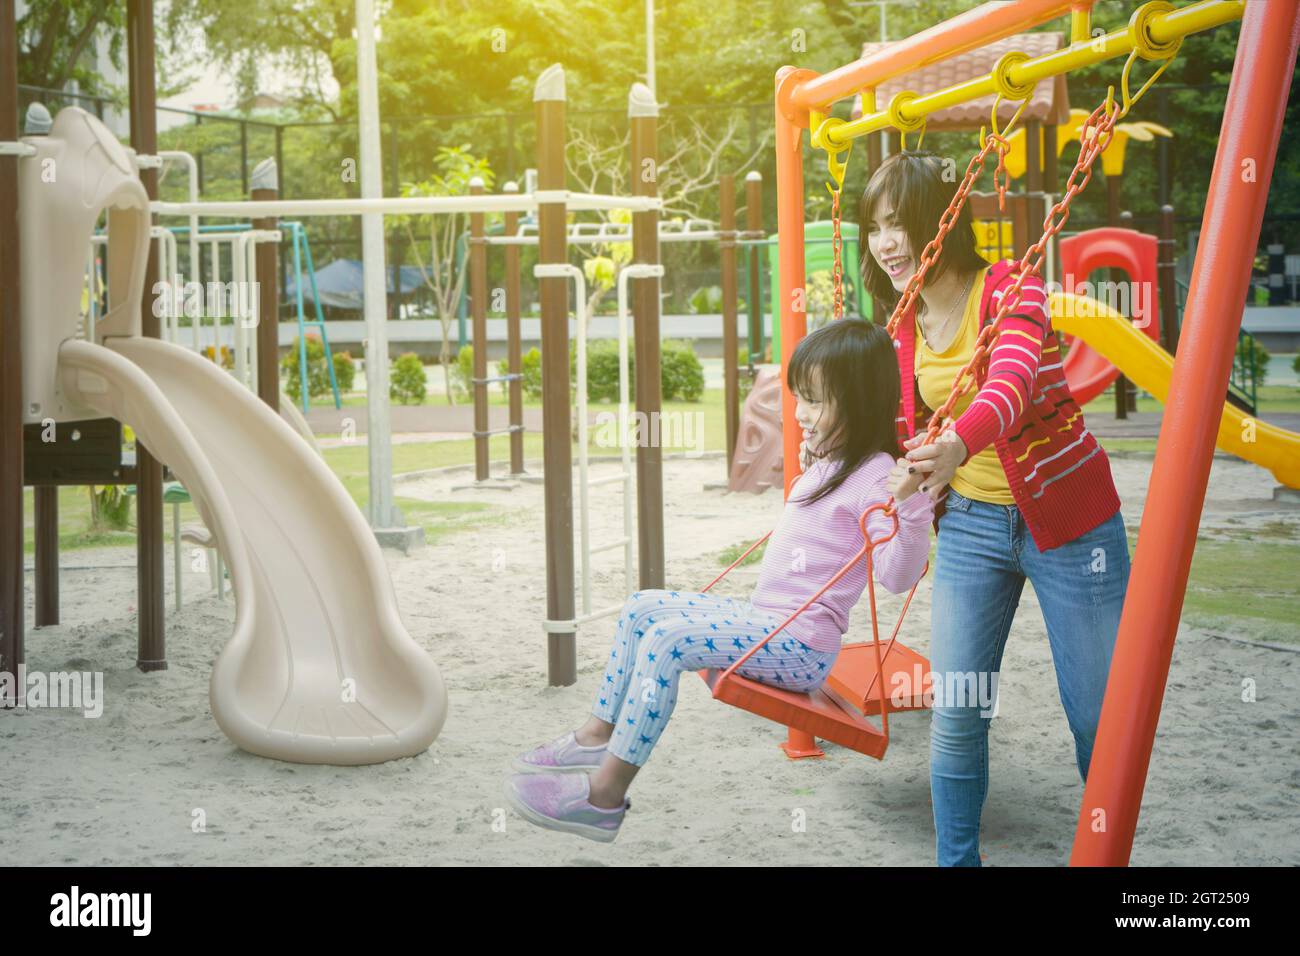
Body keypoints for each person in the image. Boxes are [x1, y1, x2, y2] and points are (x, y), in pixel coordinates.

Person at [504, 319, 934, 842]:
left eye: (816, 401)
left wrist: (912, 505)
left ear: (860, 400)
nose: (801, 414)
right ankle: (597, 734)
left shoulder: (878, 476)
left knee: (667, 641)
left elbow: (896, 576)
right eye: (799, 398)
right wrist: (817, 461)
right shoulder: (833, 463)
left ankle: (604, 796)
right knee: (642, 606)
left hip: (800, 646)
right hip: (768, 623)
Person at [861, 150, 1131, 866]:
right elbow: (896, 426)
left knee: (1097, 722)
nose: (885, 241)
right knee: (956, 715)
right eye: (874, 227)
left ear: (939, 220)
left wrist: (956, 444)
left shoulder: (1012, 288)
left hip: (1072, 526)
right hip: (976, 530)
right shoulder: (901, 323)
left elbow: (1007, 386)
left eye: (898, 223)